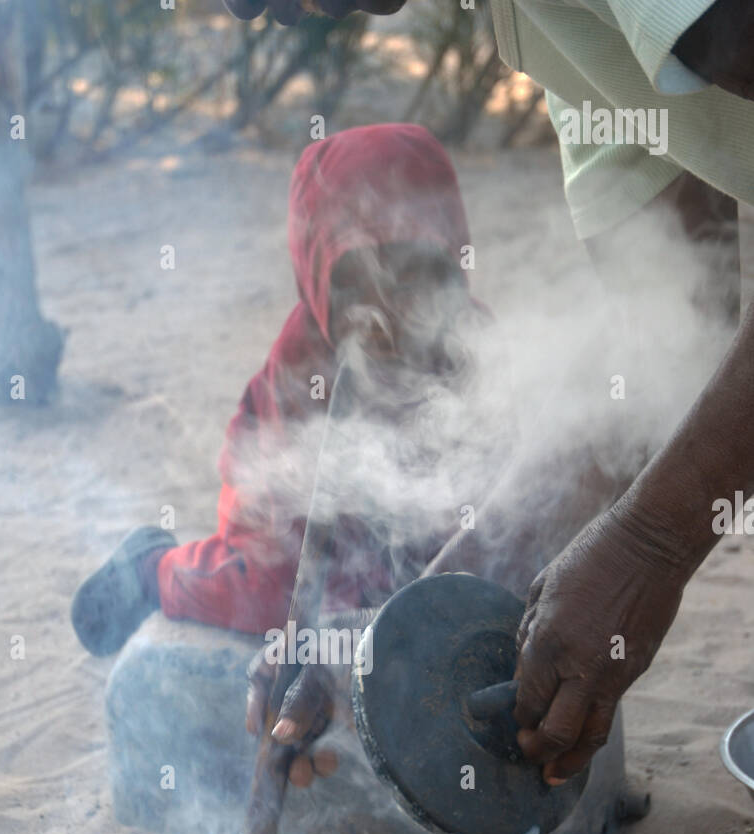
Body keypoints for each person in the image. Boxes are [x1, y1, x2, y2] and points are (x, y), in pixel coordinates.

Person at [223, 0, 754, 786]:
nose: (279, 13)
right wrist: (397, 635)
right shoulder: (551, 33)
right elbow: (675, 333)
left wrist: (649, 544)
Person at [72, 123, 491, 785]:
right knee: (268, 594)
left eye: (411, 275)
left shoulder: (475, 345)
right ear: (317, 275)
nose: (383, 313)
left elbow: (494, 492)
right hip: (291, 518)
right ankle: (153, 569)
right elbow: (302, 538)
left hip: (411, 528)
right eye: (356, 283)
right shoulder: (308, 360)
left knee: (467, 589)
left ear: (452, 256)